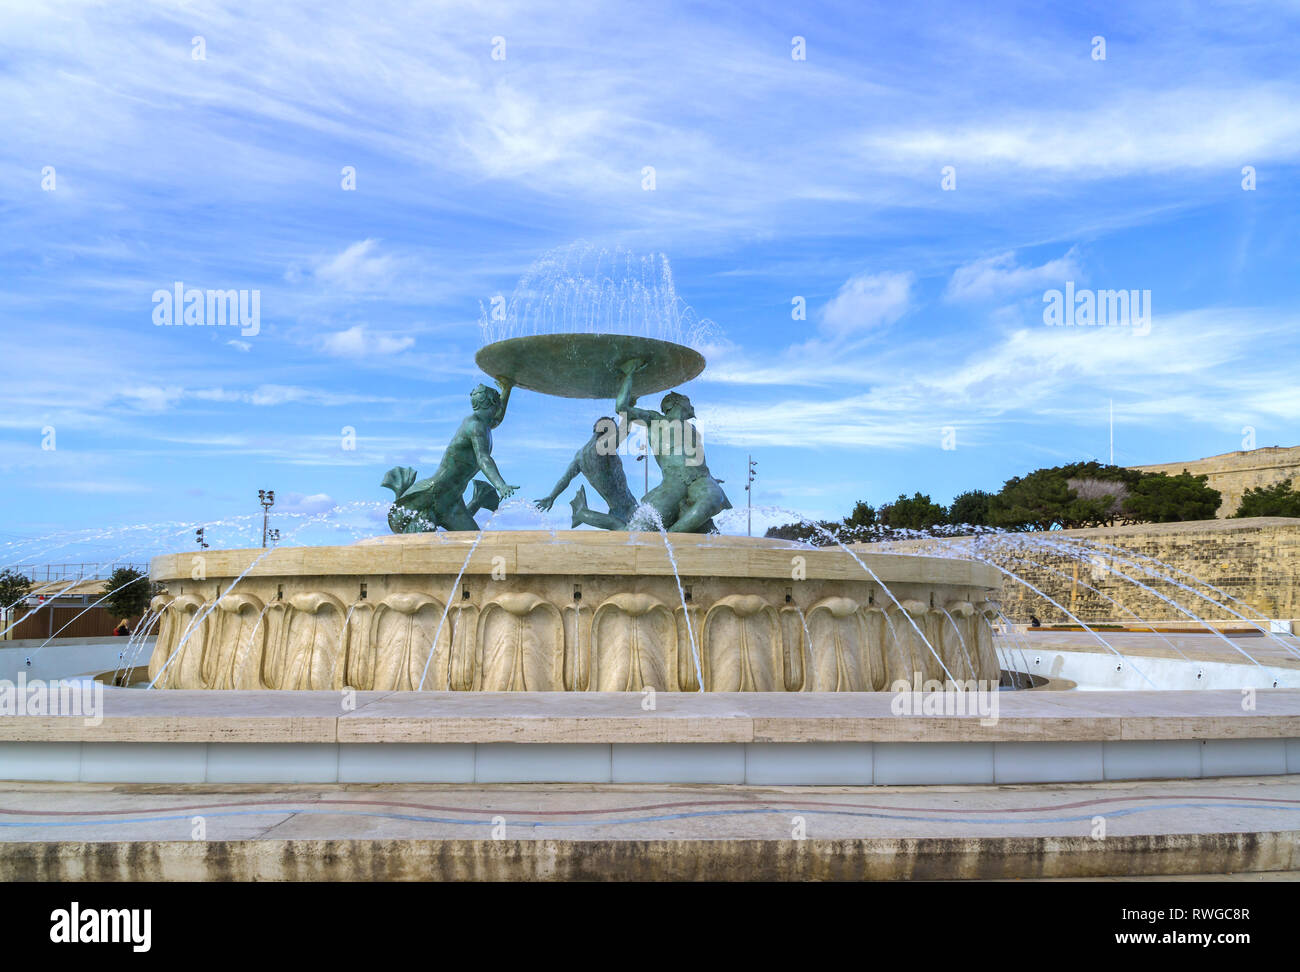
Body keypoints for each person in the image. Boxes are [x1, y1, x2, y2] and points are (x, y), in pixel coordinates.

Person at [582, 358, 730, 533]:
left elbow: (696, 460)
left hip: (700, 480)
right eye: (688, 401)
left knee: (713, 499)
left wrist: (711, 477)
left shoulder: (692, 430)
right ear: (676, 403)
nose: (692, 406)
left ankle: (671, 539)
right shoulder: (655, 420)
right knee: (636, 531)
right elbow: (621, 407)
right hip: (673, 485)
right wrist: (629, 375)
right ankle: (583, 514)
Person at [382, 378, 519, 531]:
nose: (500, 403)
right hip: (434, 493)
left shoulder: (484, 424)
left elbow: (498, 418)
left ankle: (475, 501)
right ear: (492, 402)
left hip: (452, 499)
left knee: (474, 541)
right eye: (498, 399)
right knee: (416, 532)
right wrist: (500, 485)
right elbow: (483, 458)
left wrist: (507, 389)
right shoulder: (475, 425)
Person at [536, 417, 639, 530]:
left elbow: (565, 479)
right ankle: (582, 514)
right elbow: (625, 429)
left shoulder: (580, 456)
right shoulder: (603, 446)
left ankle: (582, 514)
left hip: (616, 512)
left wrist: (552, 496)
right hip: (628, 510)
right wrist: (628, 408)